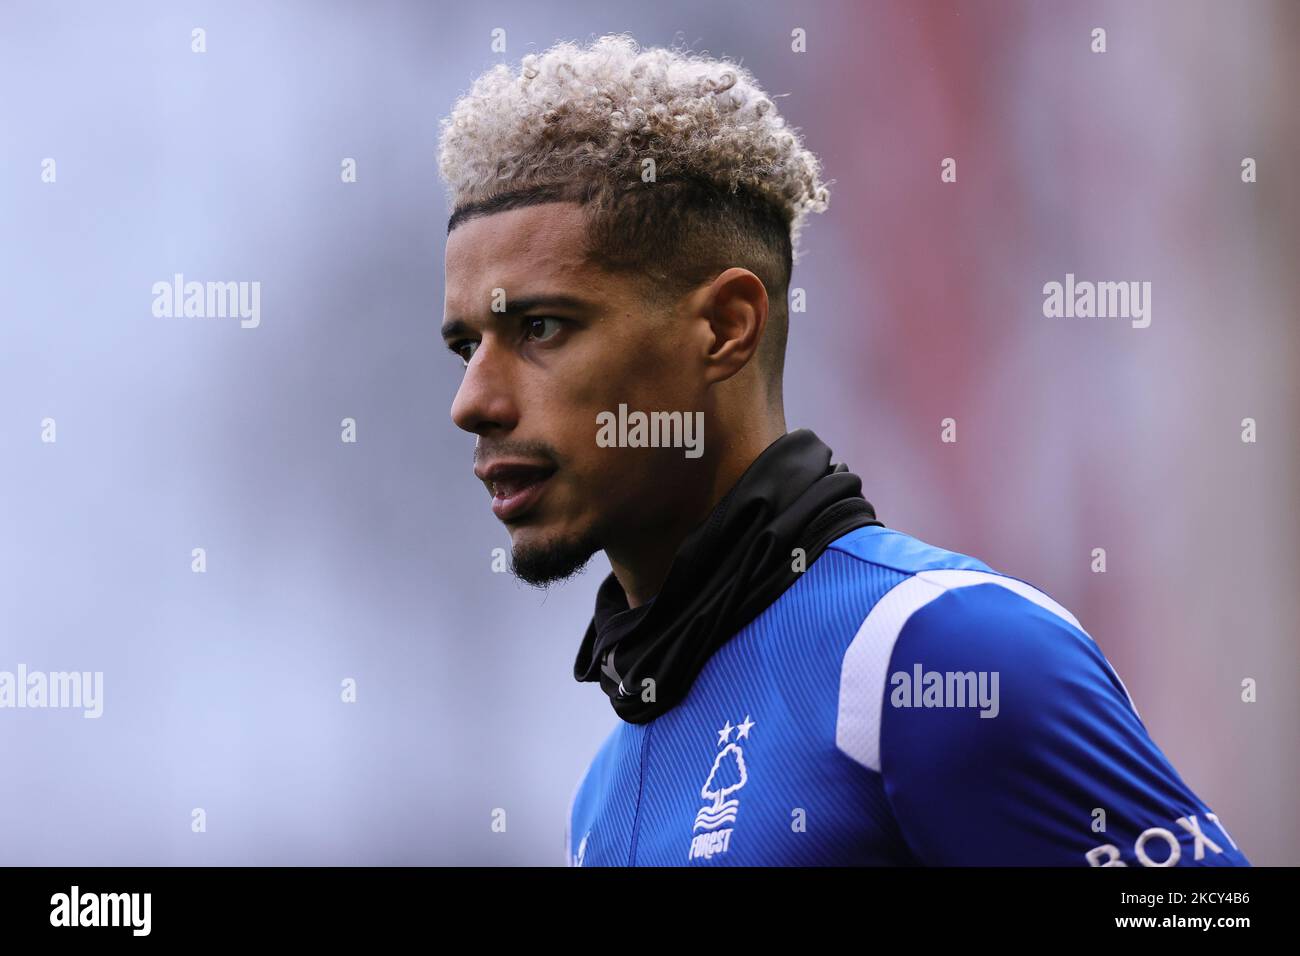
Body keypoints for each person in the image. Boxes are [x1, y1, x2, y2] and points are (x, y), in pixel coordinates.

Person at [436, 34, 1250, 866]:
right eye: (467, 348)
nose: (474, 404)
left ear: (725, 327)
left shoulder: (941, 655)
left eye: (539, 328)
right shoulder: (601, 802)